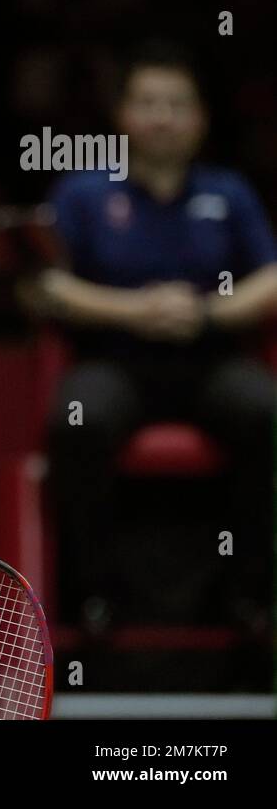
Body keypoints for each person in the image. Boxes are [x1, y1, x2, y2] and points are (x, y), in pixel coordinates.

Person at [36, 40, 277, 636]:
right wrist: (132, 310)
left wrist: (209, 314)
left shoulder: (230, 194)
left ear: (199, 120)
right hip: (114, 361)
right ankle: (92, 597)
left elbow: (271, 276)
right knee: (79, 419)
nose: (162, 117)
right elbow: (47, 285)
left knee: (266, 410)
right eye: (147, 103)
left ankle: (249, 597)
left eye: (176, 104)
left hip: (210, 361)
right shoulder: (84, 194)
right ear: (123, 118)